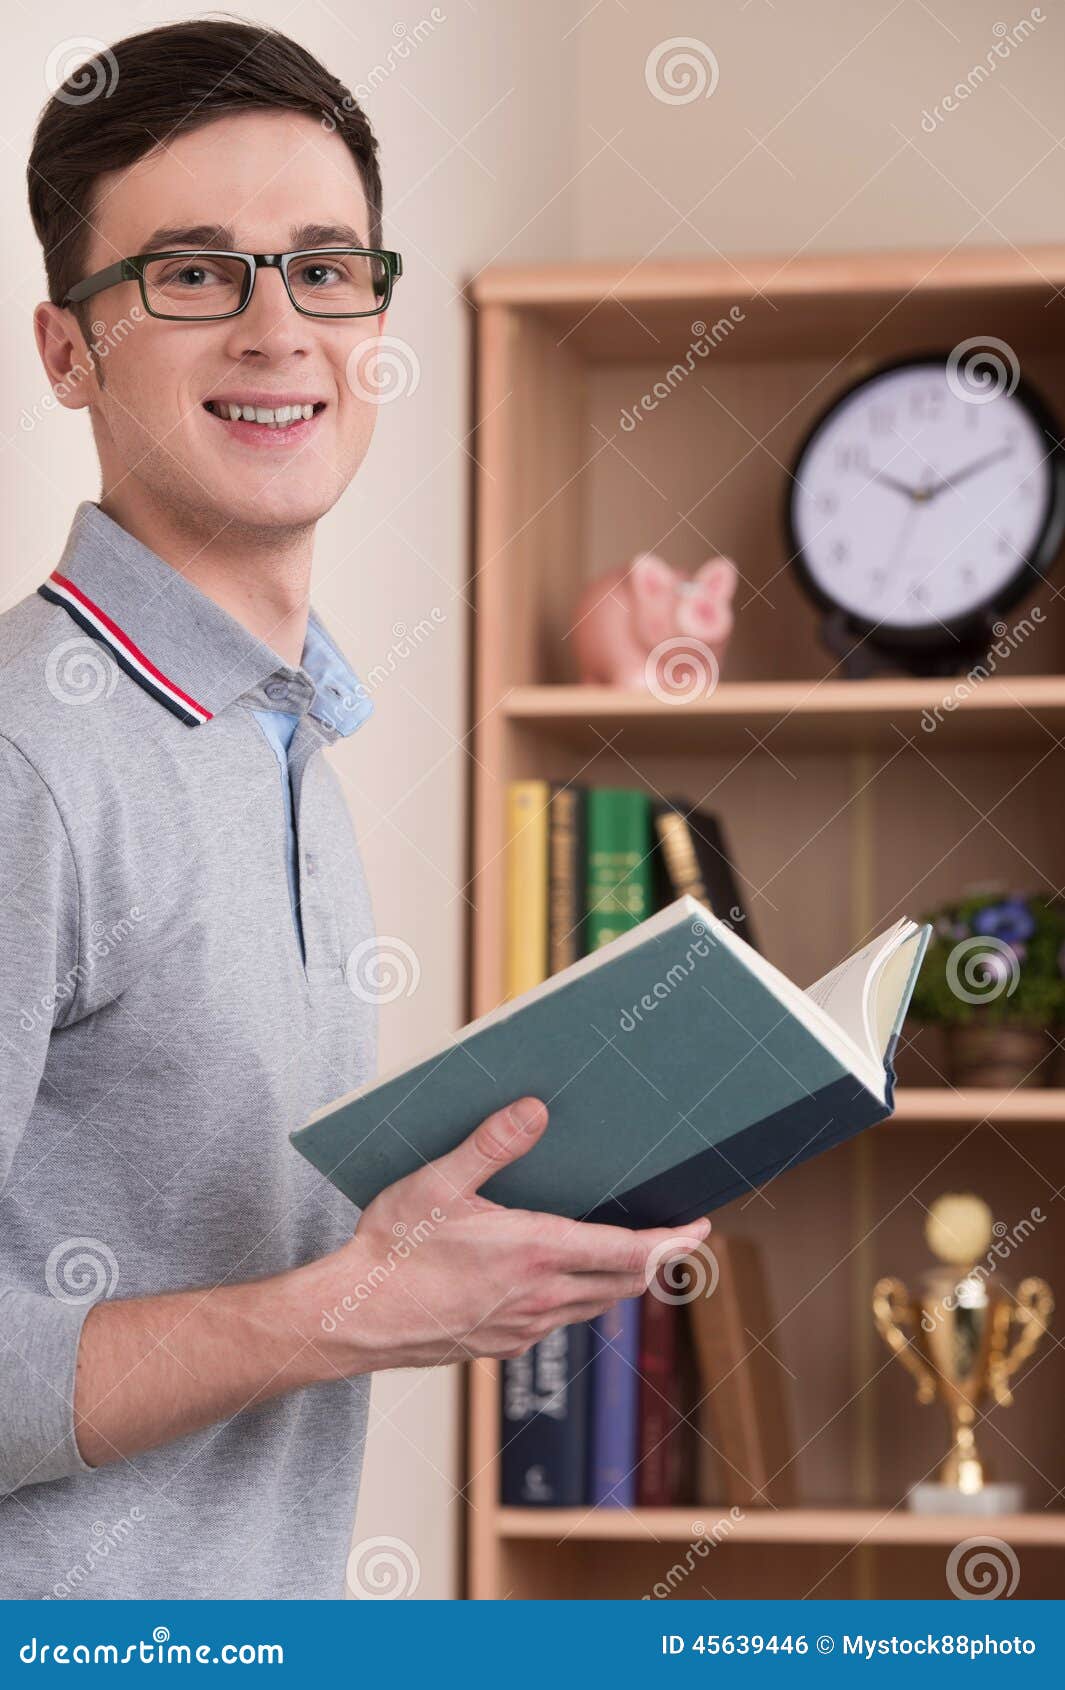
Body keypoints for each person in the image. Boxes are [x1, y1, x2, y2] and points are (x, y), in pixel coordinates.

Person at [0, 18, 710, 1600]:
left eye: (325, 268)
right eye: (192, 275)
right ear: (68, 350)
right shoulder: (25, 760)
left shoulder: (284, 737)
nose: (277, 329)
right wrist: (346, 1308)